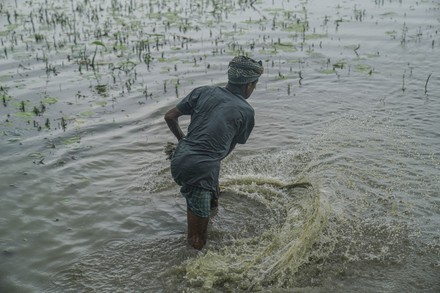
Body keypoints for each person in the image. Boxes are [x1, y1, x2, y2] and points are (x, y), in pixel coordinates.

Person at [164, 56, 264, 250]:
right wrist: (208, 161)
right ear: (250, 85)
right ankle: (191, 273)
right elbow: (230, 146)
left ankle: (208, 207)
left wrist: (182, 141)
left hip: (180, 157)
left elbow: (170, 116)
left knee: (213, 201)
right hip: (201, 170)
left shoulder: (203, 92)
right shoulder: (246, 112)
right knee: (197, 240)